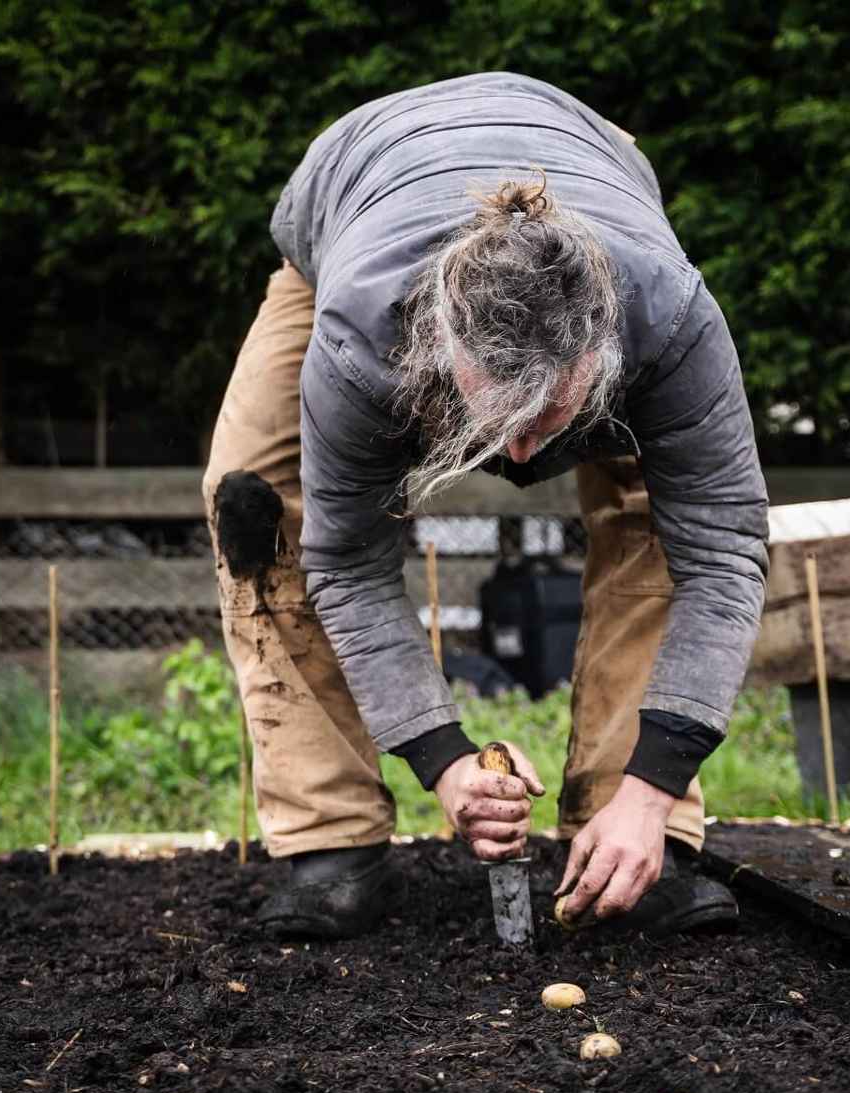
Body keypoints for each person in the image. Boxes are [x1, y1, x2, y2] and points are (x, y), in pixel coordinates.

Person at [202, 72, 768, 940]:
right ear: (438, 349)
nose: (518, 456)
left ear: (603, 356)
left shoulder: (670, 318)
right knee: (256, 506)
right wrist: (444, 762)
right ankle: (329, 844)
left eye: (549, 418)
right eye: (493, 419)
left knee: (656, 515)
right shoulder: (365, 338)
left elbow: (724, 550)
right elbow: (349, 562)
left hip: (594, 161)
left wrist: (654, 785)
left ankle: (633, 832)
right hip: (360, 189)